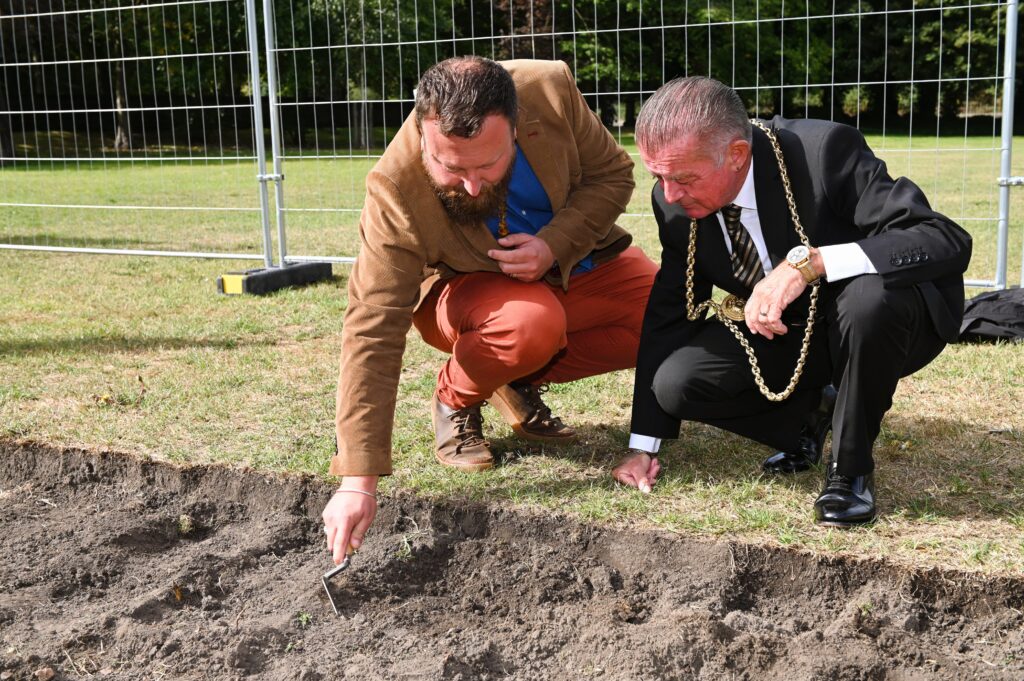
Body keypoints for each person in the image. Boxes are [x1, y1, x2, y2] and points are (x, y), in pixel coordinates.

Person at [323, 56, 658, 564]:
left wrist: (553, 244)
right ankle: (457, 397)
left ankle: (507, 373)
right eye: (452, 168)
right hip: (464, 294)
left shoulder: (549, 87)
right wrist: (358, 479)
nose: (473, 185)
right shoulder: (393, 187)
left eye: (488, 164)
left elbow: (612, 174)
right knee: (528, 324)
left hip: (570, 264)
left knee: (664, 321)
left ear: (518, 128)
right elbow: (373, 325)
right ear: (423, 135)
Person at [613, 76, 971, 526]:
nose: (668, 194)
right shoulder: (673, 204)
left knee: (866, 297)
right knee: (676, 381)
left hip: (880, 321)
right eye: (657, 176)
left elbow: (944, 238)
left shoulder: (823, 152)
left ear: (737, 154)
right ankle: (808, 418)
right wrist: (642, 447)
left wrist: (810, 264)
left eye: (683, 177)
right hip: (792, 334)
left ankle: (850, 469)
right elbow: (671, 311)